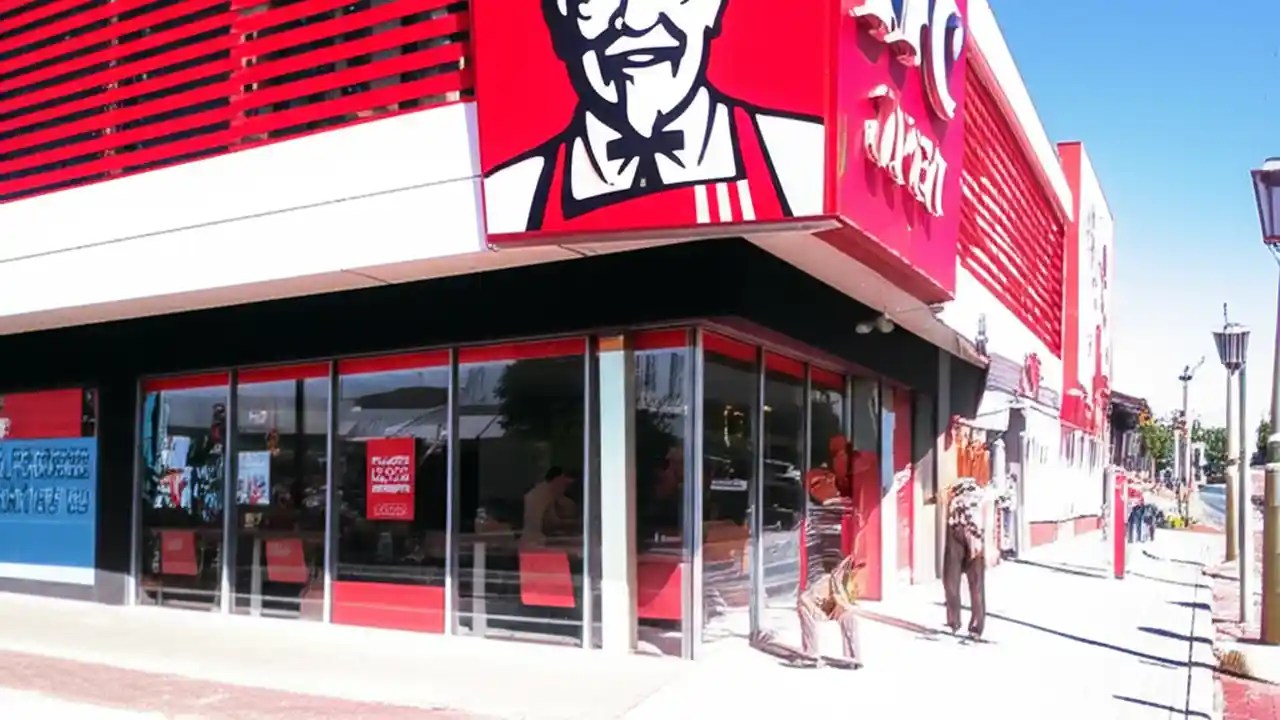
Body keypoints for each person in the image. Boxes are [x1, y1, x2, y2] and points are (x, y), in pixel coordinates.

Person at [484, 0, 825, 234]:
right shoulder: (513, 195)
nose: (637, 20)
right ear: (563, 18)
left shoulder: (800, 157)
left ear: (712, 7)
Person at [943, 477, 988, 641]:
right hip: (964, 537)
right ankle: (964, 623)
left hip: (970, 538)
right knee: (959, 583)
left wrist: (978, 544)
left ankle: (964, 623)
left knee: (959, 583)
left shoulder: (976, 500)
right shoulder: (956, 502)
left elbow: (980, 524)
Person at [521, 467, 580, 547]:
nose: (565, 488)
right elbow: (550, 523)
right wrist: (576, 523)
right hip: (539, 543)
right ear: (557, 479)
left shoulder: (537, 492)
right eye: (565, 484)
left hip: (532, 542)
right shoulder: (544, 495)